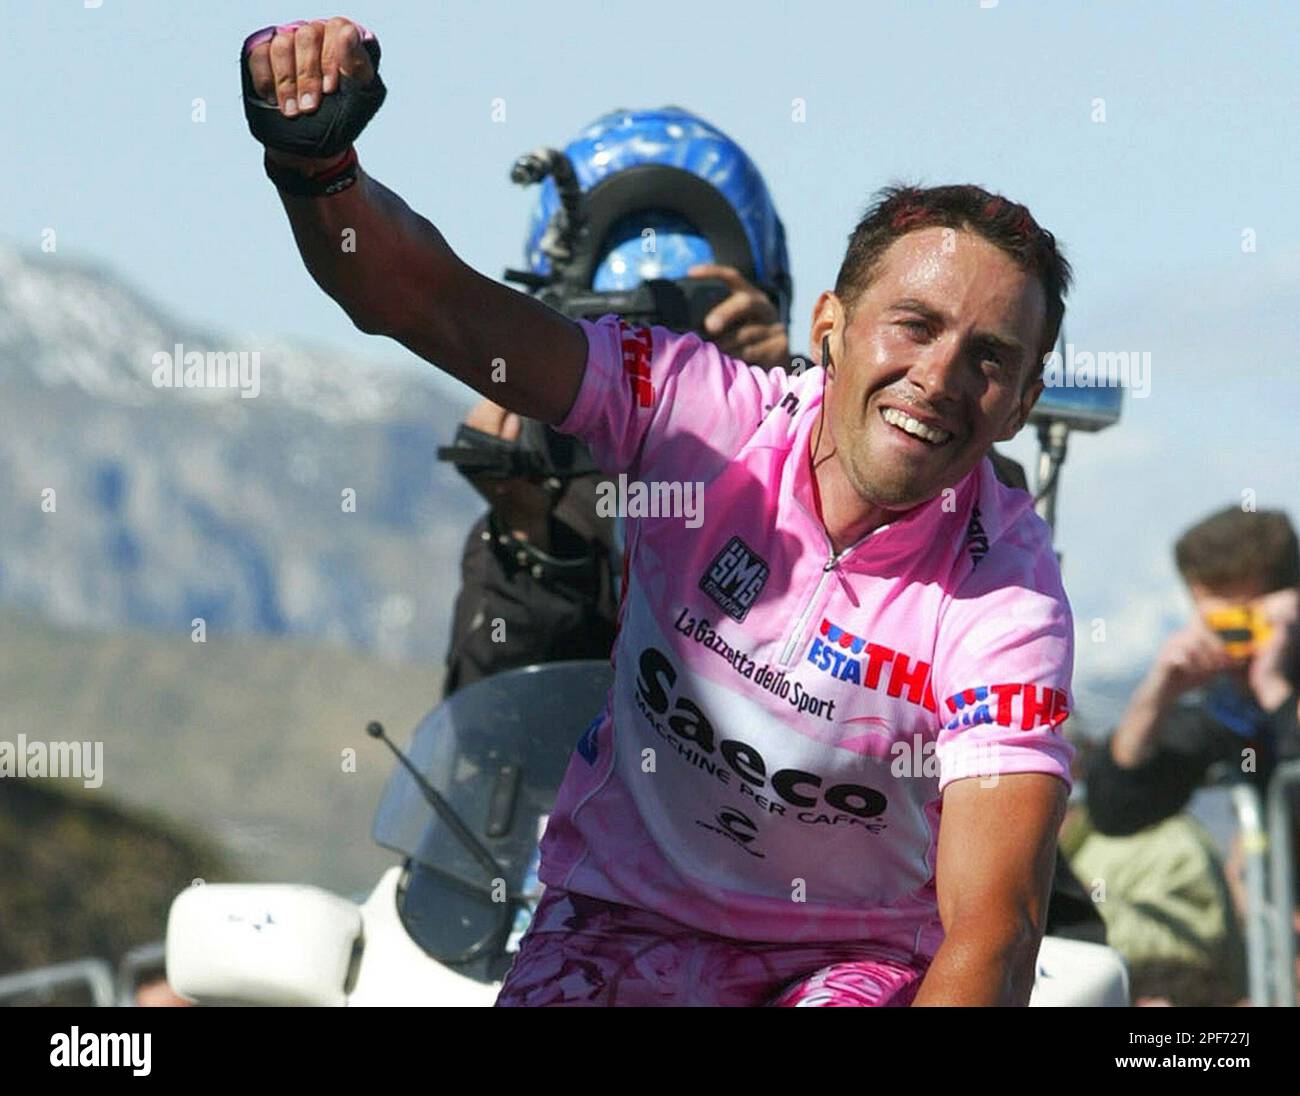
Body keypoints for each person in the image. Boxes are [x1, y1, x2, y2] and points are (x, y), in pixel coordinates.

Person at [241, 17, 1078, 1006]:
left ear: (1022, 404)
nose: (939, 378)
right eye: (915, 325)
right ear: (828, 329)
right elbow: (432, 303)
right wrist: (317, 166)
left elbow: (993, 934)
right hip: (613, 923)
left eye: (989, 358)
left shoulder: (1007, 601)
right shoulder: (698, 411)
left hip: (845, 964)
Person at [442, 108, 796, 695]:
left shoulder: (836, 478)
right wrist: (529, 541)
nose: (656, 368)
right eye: (609, 332)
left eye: (689, 324)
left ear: (763, 309)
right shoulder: (557, 508)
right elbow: (496, 742)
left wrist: (798, 409)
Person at [1082, 506, 1300, 1002]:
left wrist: (1277, 689)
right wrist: (1158, 695)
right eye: (1216, 624)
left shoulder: (1273, 690)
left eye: (1244, 623)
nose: (1233, 644)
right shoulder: (1228, 710)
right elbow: (1116, 810)